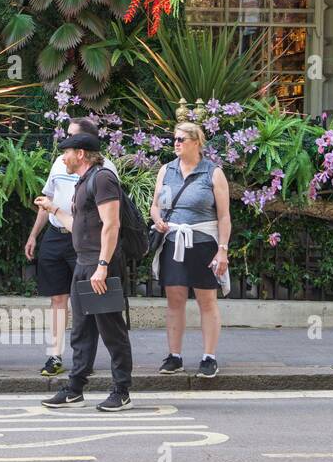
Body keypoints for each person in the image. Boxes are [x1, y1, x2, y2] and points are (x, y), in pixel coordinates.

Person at [41, 132, 134, 411]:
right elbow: (77, 225)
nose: (63, 157)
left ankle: (122, 391)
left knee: (111, 329)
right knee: (81, 330)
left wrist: (103, 267)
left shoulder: (103, 178)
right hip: (84, 264)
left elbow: (112, 224)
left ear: (81, 153)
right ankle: (75, 389)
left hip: (99, 265)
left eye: (66, 151)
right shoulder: (83, 181)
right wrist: (53, 208)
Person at [27, 117, 115, 378]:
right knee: (57, 297)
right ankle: (55, 355)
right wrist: (34, 235)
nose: (63, 147)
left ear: (83, 146)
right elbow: (49, 199)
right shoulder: (60, 162)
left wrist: (103, 259)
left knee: (88, 300)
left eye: (70, 139)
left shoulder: (104, 171)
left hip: (86, 239)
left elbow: (111, 218)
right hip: (56, 233)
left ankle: (87, 358)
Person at [150, 121, 232, 379]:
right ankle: (174, 355)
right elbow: (155, 206)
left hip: (203, 242)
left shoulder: (213, 173)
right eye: (174, 139)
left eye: (181, 139)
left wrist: (223, 250)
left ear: (197, 142)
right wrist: (157, 219)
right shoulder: (166, 170)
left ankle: (209, 357)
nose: (176, 143)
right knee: (175, 300)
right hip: (174, 241)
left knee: (207, 301)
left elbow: (224, 217)